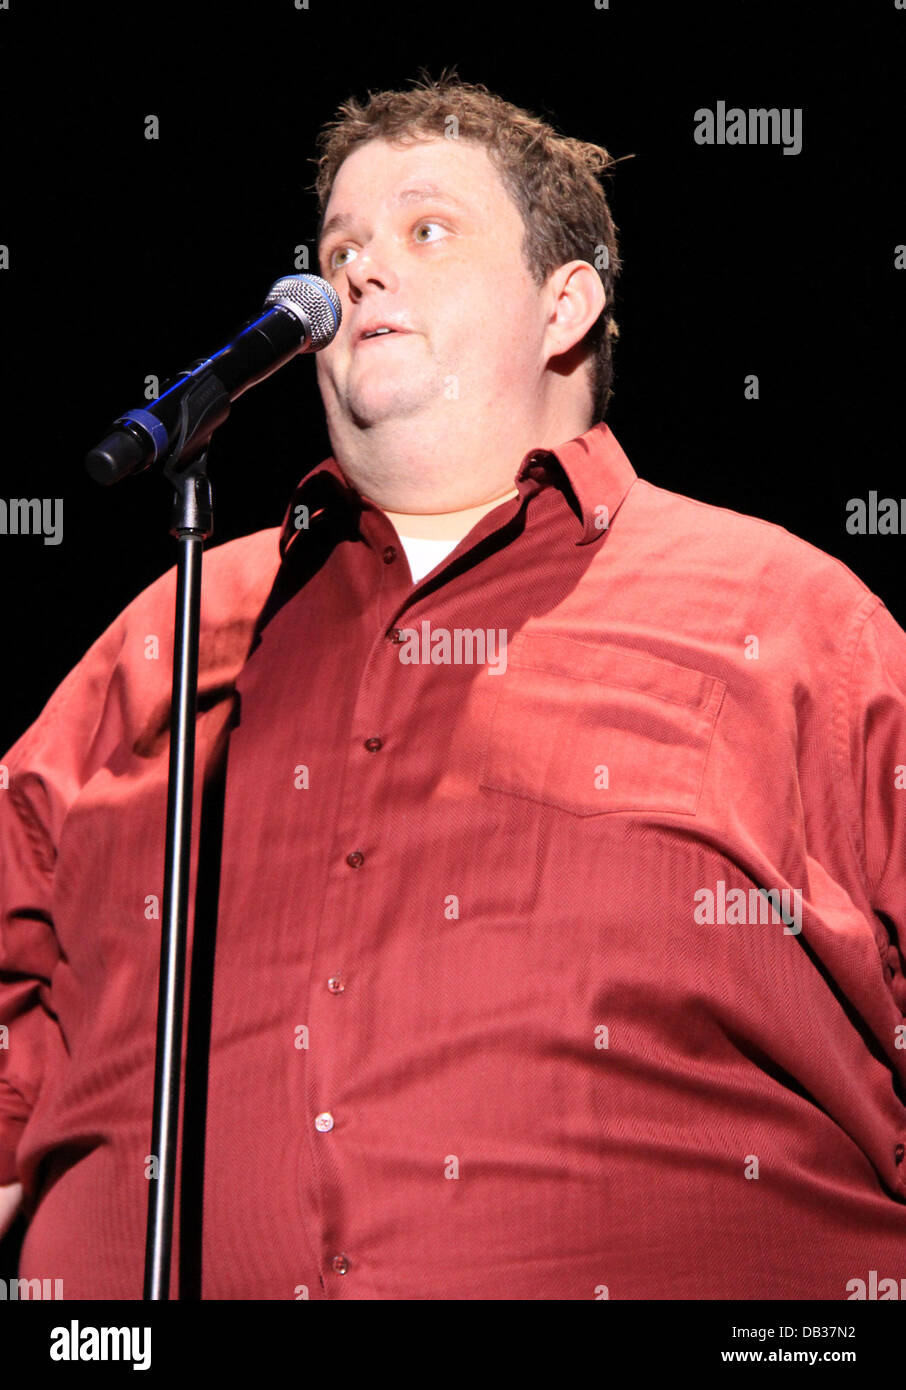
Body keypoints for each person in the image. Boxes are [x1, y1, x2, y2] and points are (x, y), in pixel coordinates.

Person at [1, 71, 905, 1300]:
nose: (359, 272)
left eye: (426, 232)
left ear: (564, 302)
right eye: (341, 247)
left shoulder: (795, 621)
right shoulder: (167, 633)